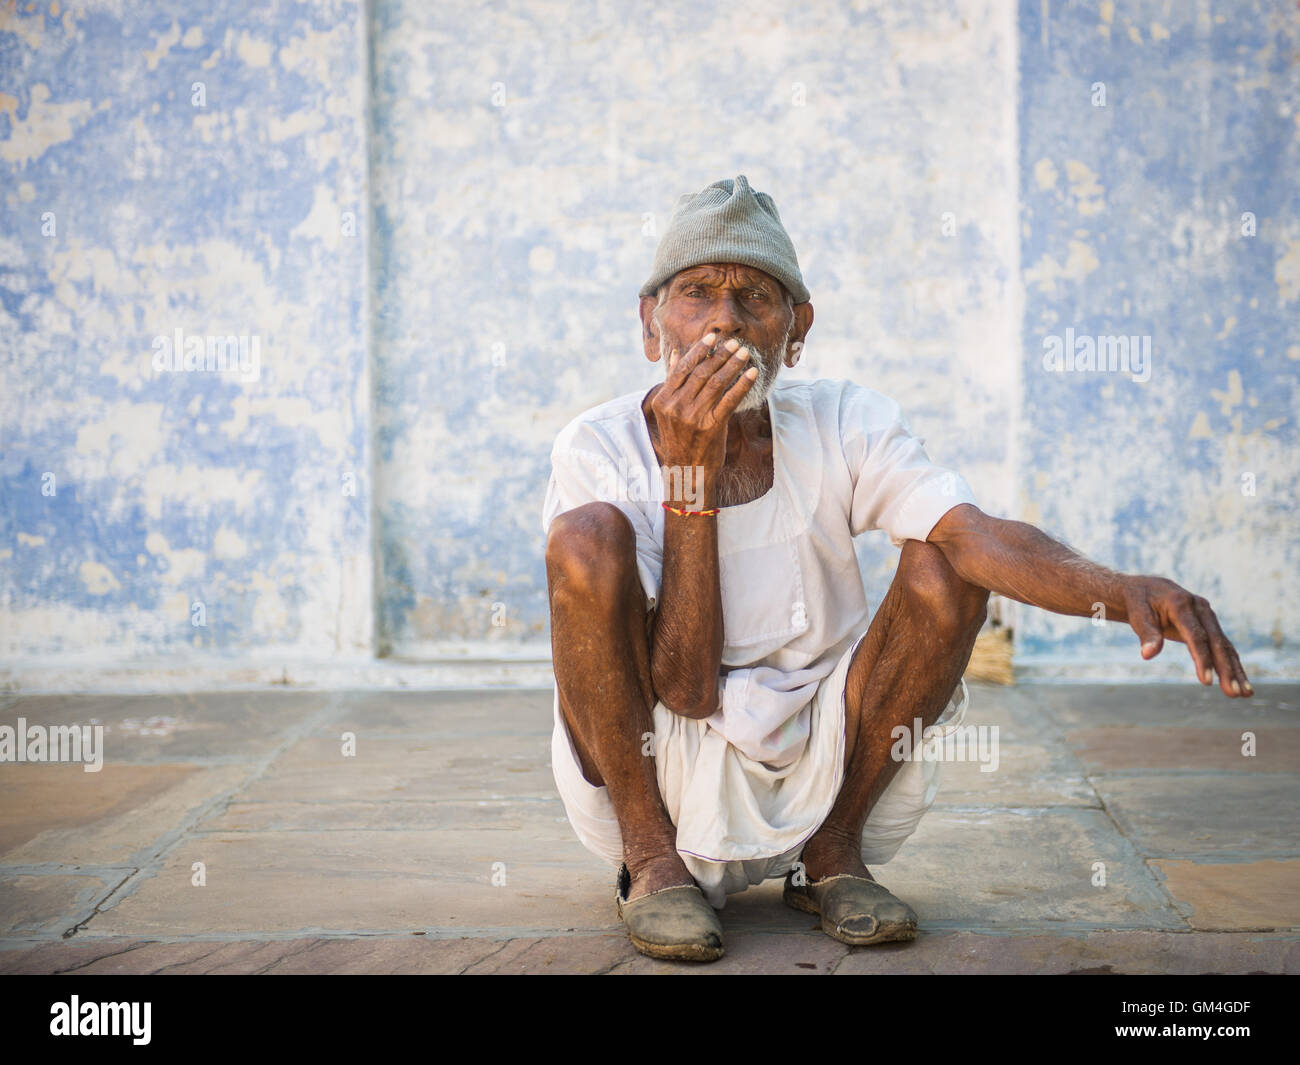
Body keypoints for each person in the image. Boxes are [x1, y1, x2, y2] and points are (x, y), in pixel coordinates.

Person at [541, 175, 1252, 963]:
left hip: (830, 749)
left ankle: (833, 854)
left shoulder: (846, 419)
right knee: (584, 539)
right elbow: (684, 686)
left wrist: (1120, 591)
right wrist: (689, 483)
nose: (723, 323)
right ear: (651, 325)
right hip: (655, 760)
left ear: (796, 330)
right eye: (696, 293)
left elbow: (973, 534)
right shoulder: (596, 448)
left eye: (755, 298)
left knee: (944, 562)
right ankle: (650, 864)